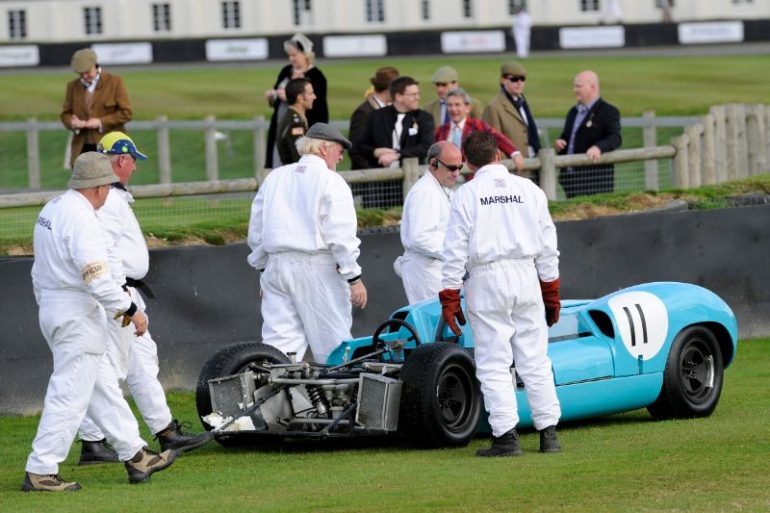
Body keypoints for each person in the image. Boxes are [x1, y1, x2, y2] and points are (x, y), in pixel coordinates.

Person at [23, 152, 176, 492]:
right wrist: (132, 310)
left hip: (54, 307)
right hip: (77, 314)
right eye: (108, 184)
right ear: (98, 187)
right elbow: (98, 280)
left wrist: (50, 305)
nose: (109, 191)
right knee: (69, 395)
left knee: (100, 387)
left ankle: (136, 455)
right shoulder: (83, 219)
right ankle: (40, 470)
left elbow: (38, 269)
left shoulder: (52, 209)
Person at [75, 133, 212, 465]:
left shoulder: (112, 196)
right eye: (133, 160)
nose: (135, 168)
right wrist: (121, 295)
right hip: (117, 292)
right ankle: (94, 441)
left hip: (123, 289)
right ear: (122, 159)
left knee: (141, 362)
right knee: (111, 368)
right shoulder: (108, 199)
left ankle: (165, 431)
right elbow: (104, 249)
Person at [440, 131, 562, 458]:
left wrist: (449, 295)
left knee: (494, 360)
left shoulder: (466, 195)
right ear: (498, 155)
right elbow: (548, 246)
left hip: (486, 278)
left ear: (468, 162)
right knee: (535, 357)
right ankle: (549, 433)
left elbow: (454, 250)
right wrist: (551, 290)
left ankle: (506, 436)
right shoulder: (529, 190)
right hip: (526, 275)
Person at [247, 123, 367, 365]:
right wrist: (354, 278)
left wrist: (263, 270)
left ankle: (271, 389)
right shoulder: (331, 181)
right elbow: (340, 235)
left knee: (279, 345)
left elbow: (256, 231)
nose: (341, 157)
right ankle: (338, 390)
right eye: (339, 151)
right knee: (334, 343)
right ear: (323, 148)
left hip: (276, 267)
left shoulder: (275, 177)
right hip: (317, 267)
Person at [396, 141, 463, 304]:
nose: (457, 173)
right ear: (434, 164)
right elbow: (420, 238)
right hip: (427, 275)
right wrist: (457, 251)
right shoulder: (425, 192)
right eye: (451, 168)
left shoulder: (440, 188)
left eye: (460, 167)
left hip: (435, 271)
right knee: (436, 320)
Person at [357, 75, 434, 207]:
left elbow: (425, 147)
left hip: (412, 181)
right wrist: (376, 152)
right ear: (399, 96)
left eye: (418, 93)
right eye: (413, 94)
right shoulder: (376, 116)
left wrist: (397, 155)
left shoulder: (424, 118)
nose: (418, 97)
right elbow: (361, 146)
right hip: (379, 184)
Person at [554, 70, 622, 198]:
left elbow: (615, 137)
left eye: (578, 86)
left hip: (595, 183)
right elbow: (567, 137)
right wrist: (560, 142)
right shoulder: (573, 112)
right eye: (574, 86)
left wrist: (598, 147)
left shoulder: (609, 111)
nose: (574, 90)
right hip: (571, 182)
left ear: (592, 87)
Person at [264, 33, 328, 168]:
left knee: (298, 161)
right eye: (290, 55)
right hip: (281, 122)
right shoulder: (286, 71)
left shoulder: (316, 76)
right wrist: (272, 96)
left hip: (302, 125)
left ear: (305, 55)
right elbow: (275, 99)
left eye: (294, 55)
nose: (291, 59)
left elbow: (317, 106)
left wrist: (289, 96)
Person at [61, 48, 132, 168]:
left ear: (95, 65)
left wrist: (100, 122)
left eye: (87, 72)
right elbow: (65, 114)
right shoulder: (72, 86)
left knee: (111, 179)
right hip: (82, 149)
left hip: (110, 147)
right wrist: (72, 122)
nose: (84, 76)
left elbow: (126, 113)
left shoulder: (115, 82)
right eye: (81, 73)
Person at [436, 88, 524, 174]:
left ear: (467, 107)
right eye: (450, 105)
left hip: (471, 177)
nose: (453, 109)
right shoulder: (441, 130)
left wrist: (514, 153)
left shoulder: (476, 125)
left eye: (457, 105)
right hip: (447, 179)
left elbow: (496, 137)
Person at [482, 62, 541, 161]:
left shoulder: (523, 102)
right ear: (503, 80)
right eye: (514, 79)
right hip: (512, 165)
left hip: (532, 160)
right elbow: (493, 142)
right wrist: (508, 162)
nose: (519, 83)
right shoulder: (493, 107)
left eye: (522, 79)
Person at [349, 66, 400, 170]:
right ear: (388, 90)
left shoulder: (395, 109)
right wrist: (375, 175)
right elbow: (355, 150)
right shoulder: (364, 113)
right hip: (374, 177)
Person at [276, 78, 316, 164]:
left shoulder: (291, 117)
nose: (314, 97)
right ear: (300, 98)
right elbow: (299, 158)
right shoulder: (295, 123)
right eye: (310, 93)